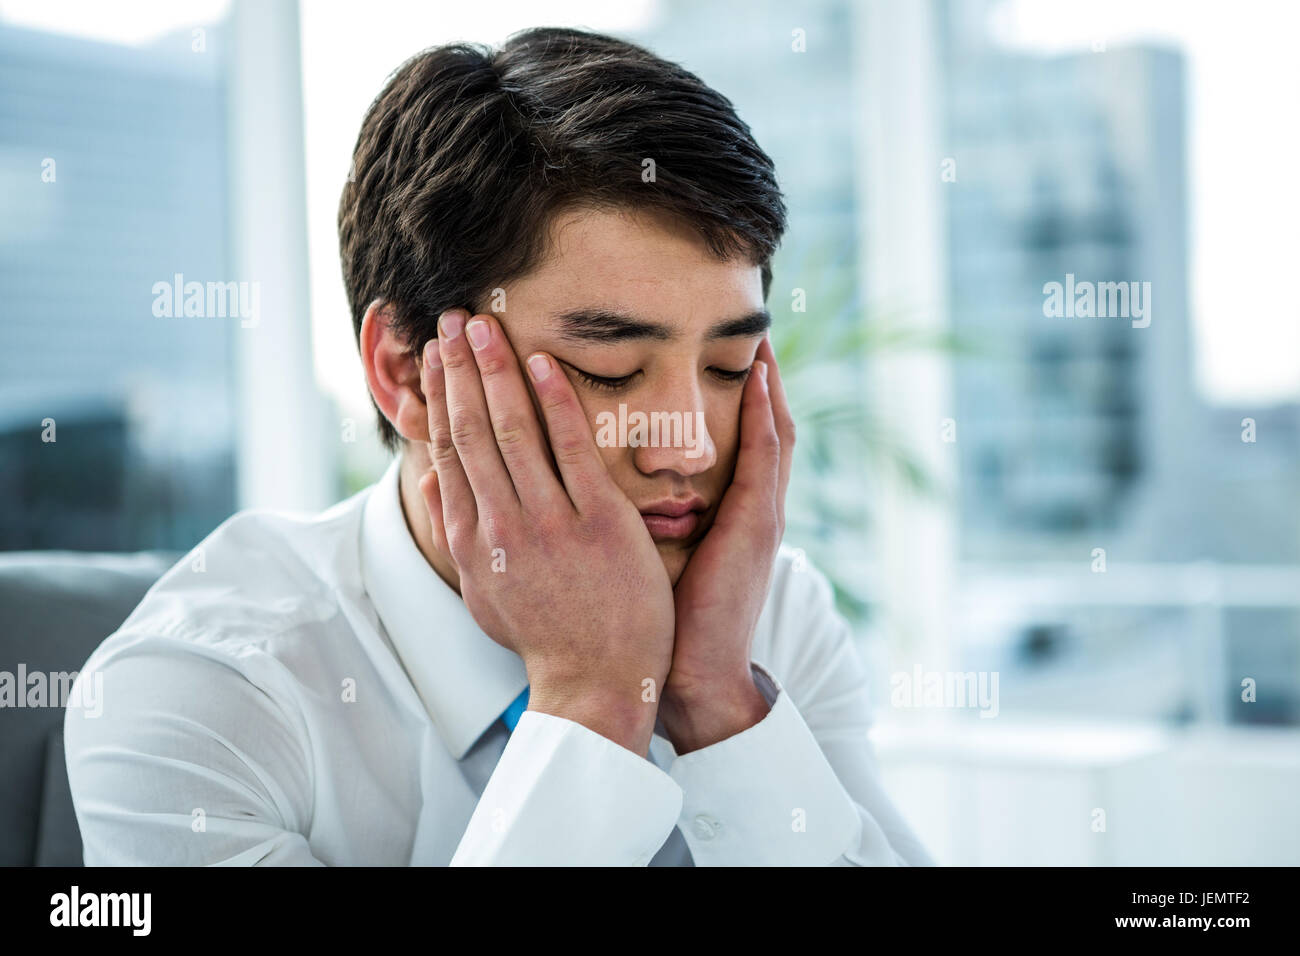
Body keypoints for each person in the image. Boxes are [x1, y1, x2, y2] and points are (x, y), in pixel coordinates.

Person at [64, 26, 934, 866]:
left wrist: (720, 707)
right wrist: (593, 699)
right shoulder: (200, 696)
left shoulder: (766, 618)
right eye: (609, 371)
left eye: (728, 366)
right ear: (406, 373)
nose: (689, 449)